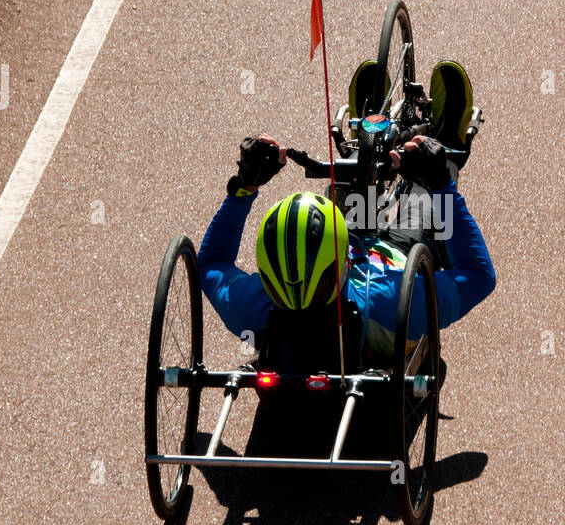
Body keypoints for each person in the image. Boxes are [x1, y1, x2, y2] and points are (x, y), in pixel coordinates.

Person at [196, 112, 494, 366]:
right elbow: (479, 275)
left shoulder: (252, 306)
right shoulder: (391, 303)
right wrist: (442, 186)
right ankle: (448, 134)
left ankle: (361, 135)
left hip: (355, 251)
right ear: (345, 258)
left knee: (348, 182)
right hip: (401, 251)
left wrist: (245, 186)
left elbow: (211, 262)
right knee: (423, 196)